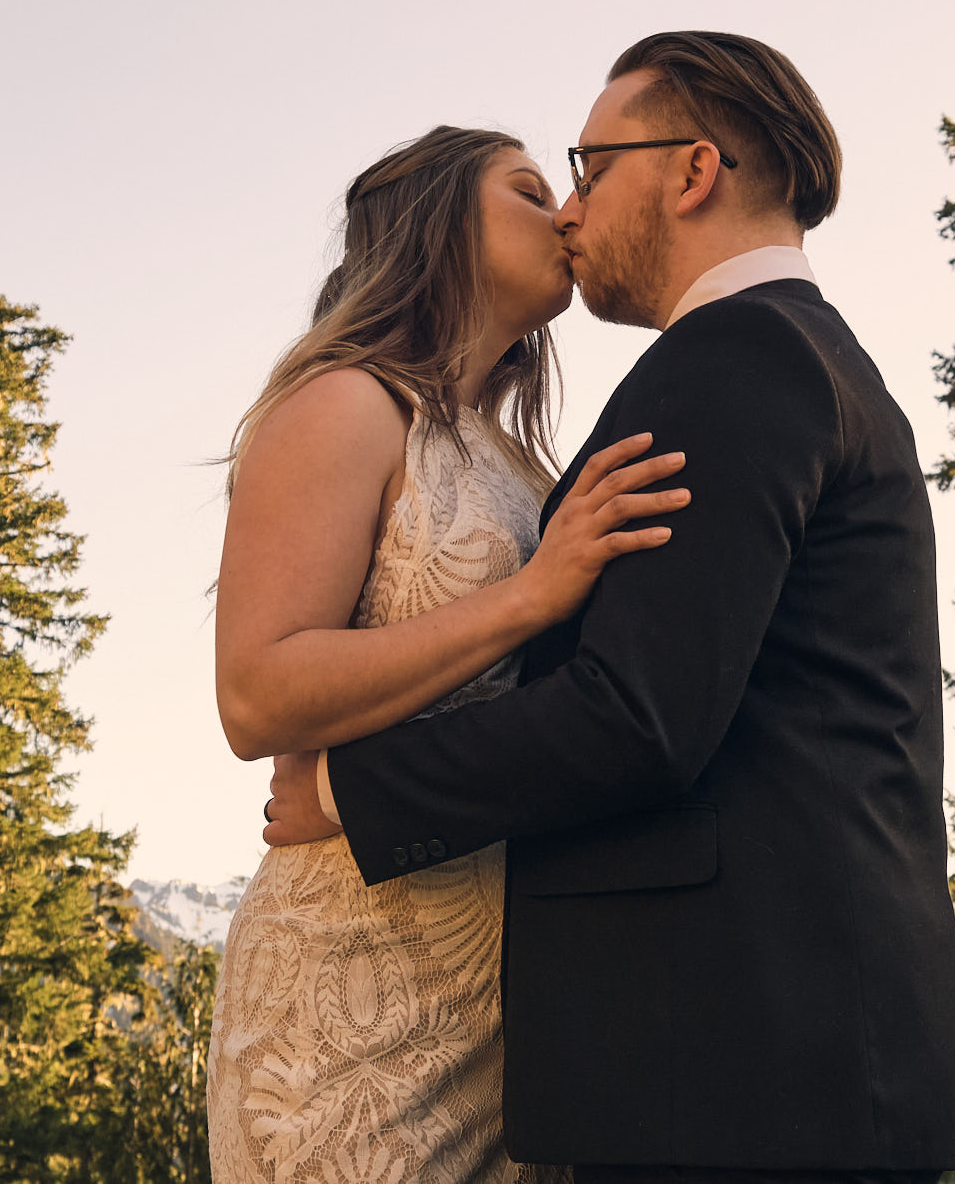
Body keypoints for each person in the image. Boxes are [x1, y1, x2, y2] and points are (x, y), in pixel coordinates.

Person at [263, 32, 955, 1184]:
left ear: (690, 172)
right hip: (776, 1068)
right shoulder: (798, 358)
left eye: (588, 169)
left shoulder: (735, 358)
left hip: (748, 1076)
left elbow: (636, 716)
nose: (571, 210)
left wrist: (350, 791)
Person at [206, 123, 691, 1184]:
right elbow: (253, 694)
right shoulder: (343, 402)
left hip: (504, 1012)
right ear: (436, 226)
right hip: (342, 994)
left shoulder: (522, 463)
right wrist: (526, 598)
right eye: (528, 188)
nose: (566, 210)